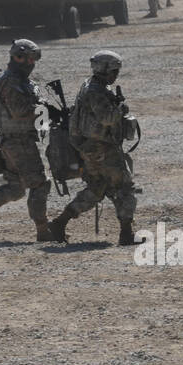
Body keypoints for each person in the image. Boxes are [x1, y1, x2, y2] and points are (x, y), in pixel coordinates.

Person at [47, 51, 138, 246]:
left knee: (97, 188)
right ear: (103, 69)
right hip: (103, 148)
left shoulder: (92, 86)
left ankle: (59, 223)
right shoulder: (95, 91)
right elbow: (107, 118)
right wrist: (121, 109)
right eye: (114, 70)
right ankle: (126, 234)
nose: (116, 75)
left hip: (90, 148)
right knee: (124, 187)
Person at [0, 40, 54, 242]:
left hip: (11, 141)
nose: (30, 63)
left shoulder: (17, 80)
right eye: (27, 59)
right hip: (18, 142)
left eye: (34, 59)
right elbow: (20, 111)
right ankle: (43, 230)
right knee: (40, 183)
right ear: (16, 57)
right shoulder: (11, 82)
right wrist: (44, 111)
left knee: (15, 188)